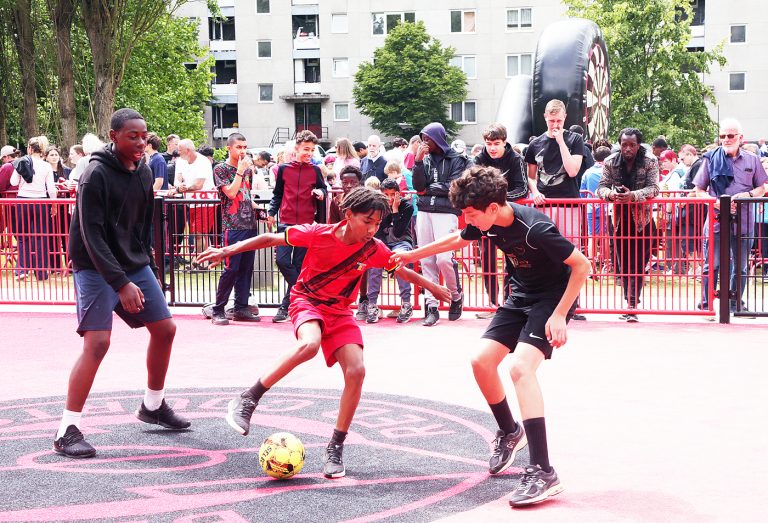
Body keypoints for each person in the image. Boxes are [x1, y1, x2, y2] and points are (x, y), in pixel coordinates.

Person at [196, 187, 450, 478]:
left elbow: (400, 268)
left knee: (357, 371)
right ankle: (249, 398)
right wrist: (227, 249)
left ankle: (335, 447)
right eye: (367, 221)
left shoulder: (373, 248)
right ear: (348, 214)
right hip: (307, 301)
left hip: (340, 312)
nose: (372, 228)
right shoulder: (317, 233)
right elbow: (269, 238)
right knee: (310, 344)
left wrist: (433, 287)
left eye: (378, 223)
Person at [391, 166, 589, 507]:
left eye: (469, 213)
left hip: (551, 299)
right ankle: (510, 431)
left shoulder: (535, 228)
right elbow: (458, 238)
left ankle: (543, 470)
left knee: (520, 369)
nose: (465, 219)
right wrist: (411, 254)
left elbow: (582, 265)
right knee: (481, 360)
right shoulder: (487, 223)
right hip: (521, 295)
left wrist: (560, 315)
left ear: (493, 208)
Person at [54, 108, 190, 459]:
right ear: (113, 136)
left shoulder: (144, 172)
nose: (141, 142)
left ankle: (153, 405)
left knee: (165, 329)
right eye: (133, 136)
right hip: (94, 265)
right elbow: (91, 234)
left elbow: (142, 228)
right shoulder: (95, 173)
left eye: (144, 136)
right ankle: (67, 429)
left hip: (132, 263)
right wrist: (120, 283)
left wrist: (148, 268)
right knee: (98, 343)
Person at [693, 118, 767, 312]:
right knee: (712, 265)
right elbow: (699, 190)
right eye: (722, 136)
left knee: (741, 267)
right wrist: (717, 202)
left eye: (730, 135)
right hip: (717, 219)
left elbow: (761, 187)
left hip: (743, 221)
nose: (726, 139)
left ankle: (736, 303)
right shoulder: (710, 158)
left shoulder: (752, 159)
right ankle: (707, 304)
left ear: (740, 138)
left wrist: (747, 195)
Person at [596, 128, 660, 322]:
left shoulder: (650, 161)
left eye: (632, 145)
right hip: (618, 220)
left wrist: (633, 195)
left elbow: (654, 188)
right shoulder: (610, 162)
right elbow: (601, 187)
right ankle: (629, 300)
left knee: (639, 263)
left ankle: (632, 303)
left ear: (638, 145)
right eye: (624, 144)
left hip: (643, 220)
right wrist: (611, 195)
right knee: (623, 263)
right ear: (620, 144)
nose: (628, 149)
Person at [412, 122, 470, 326]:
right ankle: (431, 306)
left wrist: (430, 189)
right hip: (425, 211)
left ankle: (455, 296)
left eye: (427, 138)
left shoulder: (457, 158)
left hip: (446, 212)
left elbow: (454, 186)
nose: (424, 143)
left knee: (444, 259)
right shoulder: (424, 160)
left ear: (437, 138)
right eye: (422, 138)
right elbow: (419, 187)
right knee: (426, 260)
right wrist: (418, 163)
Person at [267, 130, 327, 323]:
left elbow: (323, 189)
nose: (308, 153)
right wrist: (270, 212)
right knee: (283, 261)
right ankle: (305, 294)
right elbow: (277, 195)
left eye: (311, 150)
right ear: (297, 148)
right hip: (285, 222)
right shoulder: (283, 169)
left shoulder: (316, 170)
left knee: (300, 267)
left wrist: (321, 192)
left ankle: (285, 307)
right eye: (305, 149)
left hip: (307, 224)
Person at [473, 123, 528, 319]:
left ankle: (508, 302)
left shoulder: (516, 159)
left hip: (509, 218)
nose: (492, 148)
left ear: (504, 142)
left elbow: (523, 189)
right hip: (486, 218)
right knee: (487, 261)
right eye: (489, 143)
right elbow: (472, 185)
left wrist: (498, 201)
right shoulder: (479, 159)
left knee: (512, 262)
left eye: (496, 143)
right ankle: (492, 303)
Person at [209, 132, 263, 325]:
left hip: (249, 224)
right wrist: (240, 171)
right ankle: (218, 309)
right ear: (228, 148)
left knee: (246, 268)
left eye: (244, 147)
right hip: (232, 226)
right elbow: (231, 193)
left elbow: (245, 194)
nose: (242, 151)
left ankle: (241, 307)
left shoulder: (247, 170)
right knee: (231, 269)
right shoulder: (221, 168)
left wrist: (262, 211)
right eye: (238, 147)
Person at [366, 178, 415, 323]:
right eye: (386, 194)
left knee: (398, 262)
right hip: (383, 243)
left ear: (398, 194)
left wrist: (394, 210)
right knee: (374, 265)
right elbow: (378, 233)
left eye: (392, 194)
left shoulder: (407, 206)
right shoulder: (377, 207)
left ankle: (406, 304)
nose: (389, 197)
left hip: (401, 242)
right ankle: (372, 305)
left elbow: (399, 232)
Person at [10, 136, 58, 281]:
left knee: (23, 237)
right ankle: (42, 272)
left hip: (23, 201)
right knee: (41, 236)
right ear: (42, 149)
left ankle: (22, 270)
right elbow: (51, 188)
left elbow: (13, 182)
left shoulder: (21, 162)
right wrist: (54, 204)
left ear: (29, 149)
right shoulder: (46, 166)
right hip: (41, 202)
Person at [580, 146, 611, 273]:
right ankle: (608, 265)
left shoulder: (587, 172)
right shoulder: (610, 171)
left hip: (591, 208)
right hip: (607, 207)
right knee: (606, 236)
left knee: (592, 237)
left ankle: (591, 266)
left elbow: (582, 193)